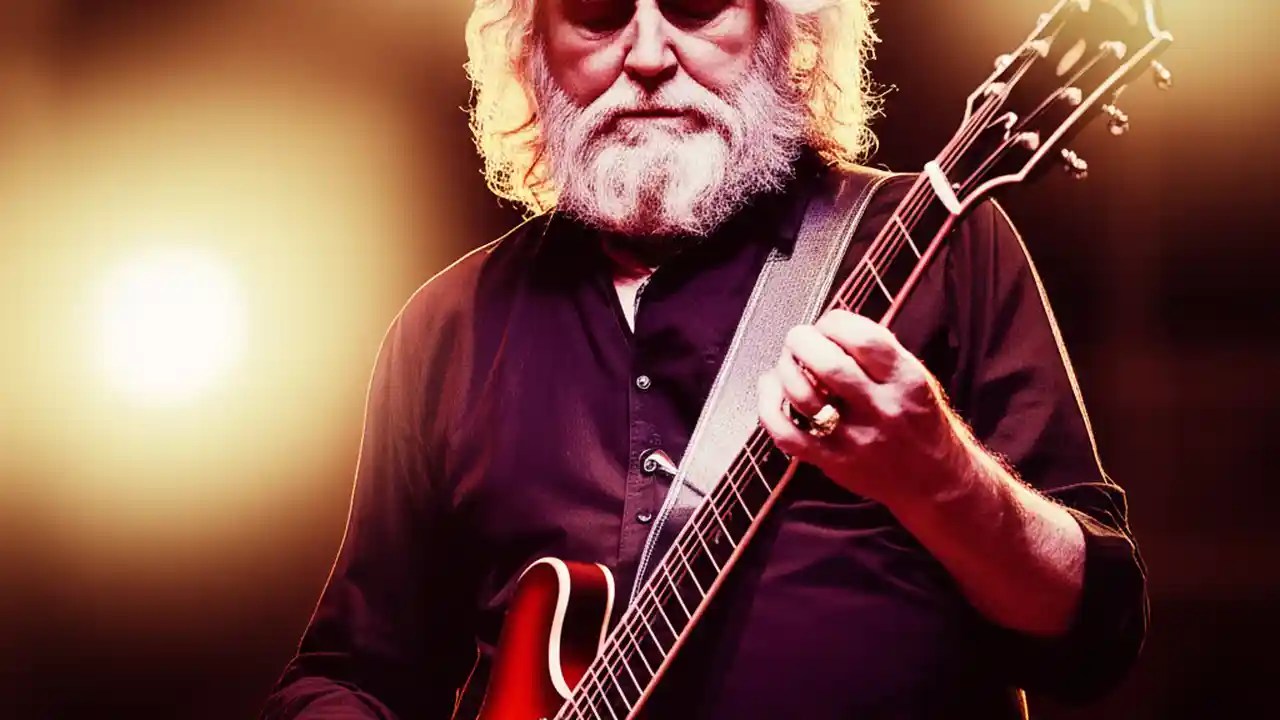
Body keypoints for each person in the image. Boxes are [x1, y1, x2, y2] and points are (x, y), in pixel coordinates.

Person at [263, 1, 1148, 718]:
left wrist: (941, 476)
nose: (648, 52)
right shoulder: (448, 328)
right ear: (533, 48)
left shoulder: (938, 247)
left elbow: (1094, 635)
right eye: (600, 15)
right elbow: (355, 674)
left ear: (781, 30)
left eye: (696, 6)